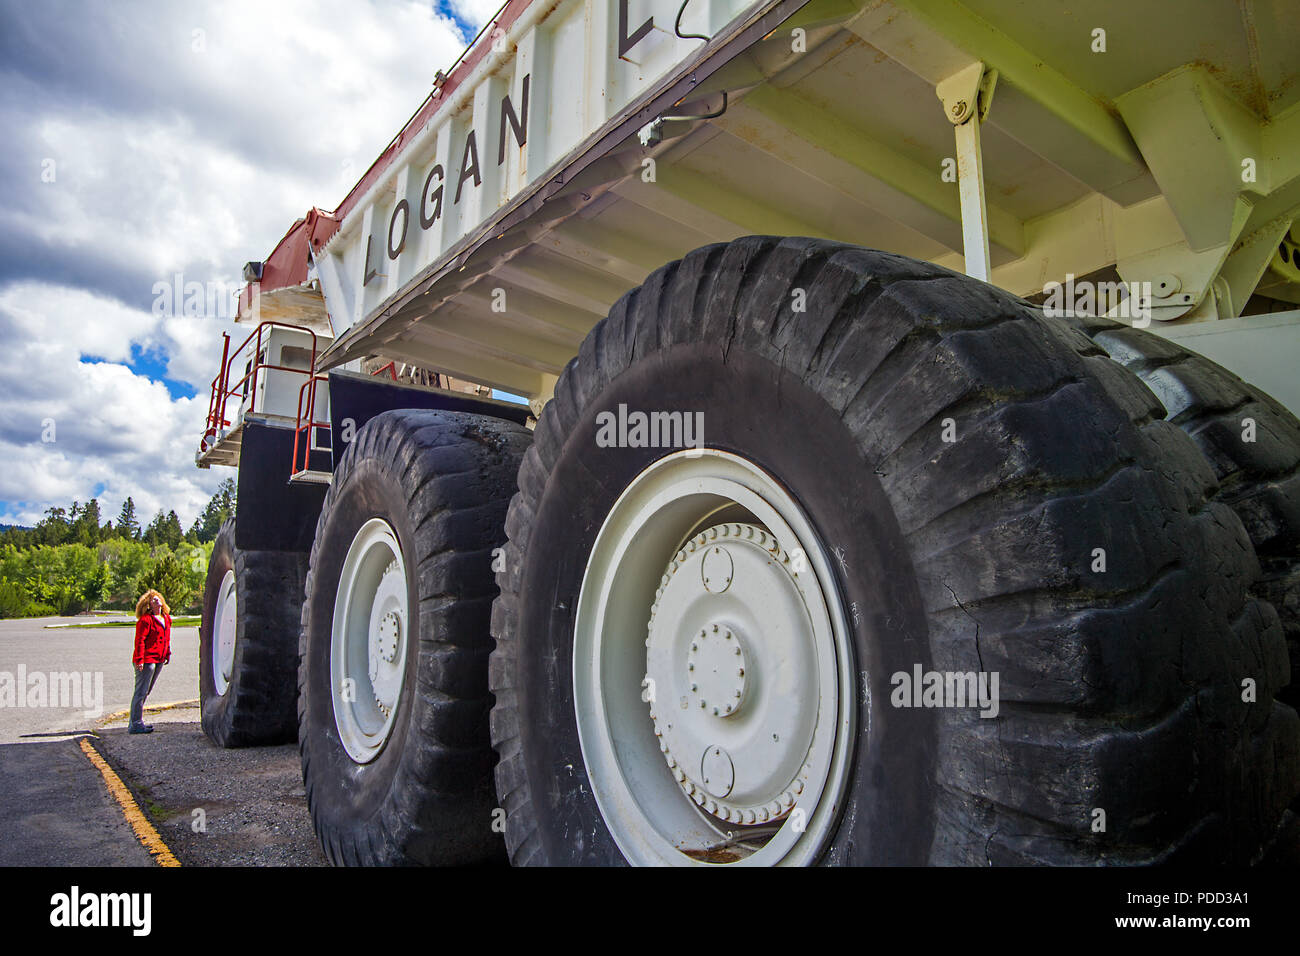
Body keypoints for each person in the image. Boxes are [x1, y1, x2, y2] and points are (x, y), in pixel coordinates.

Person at [129, 589, 171, 734]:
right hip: (146, 660)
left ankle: (137, 721)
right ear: (148, 605)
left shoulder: (166, 618)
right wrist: (139, 660)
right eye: (153, 599)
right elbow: (139, 641)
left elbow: (166, 638)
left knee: (146, 691)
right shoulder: (145, 620)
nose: (156, 600)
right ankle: (135, 724)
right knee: (140, 692)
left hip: (159, 658)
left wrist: (168, 653)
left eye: (158, 598)